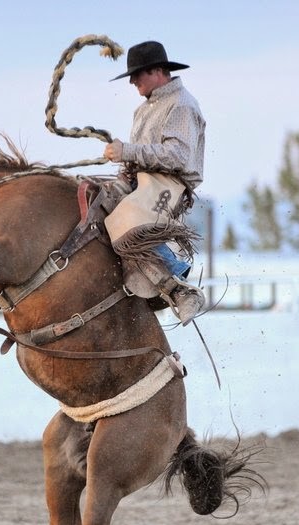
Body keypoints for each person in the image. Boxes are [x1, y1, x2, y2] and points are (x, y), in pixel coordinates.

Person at [102, 40, 206, 325]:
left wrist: (127, 151)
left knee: (127, 222)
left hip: (170, 184)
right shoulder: (143, 110)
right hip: (140, 181)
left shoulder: (182, 104)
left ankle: (180, 288)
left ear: (158, 71)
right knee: (94, 202)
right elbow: (140, 155)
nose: (132, 81)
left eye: (137, 74)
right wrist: (124, 167)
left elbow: (178, 155)